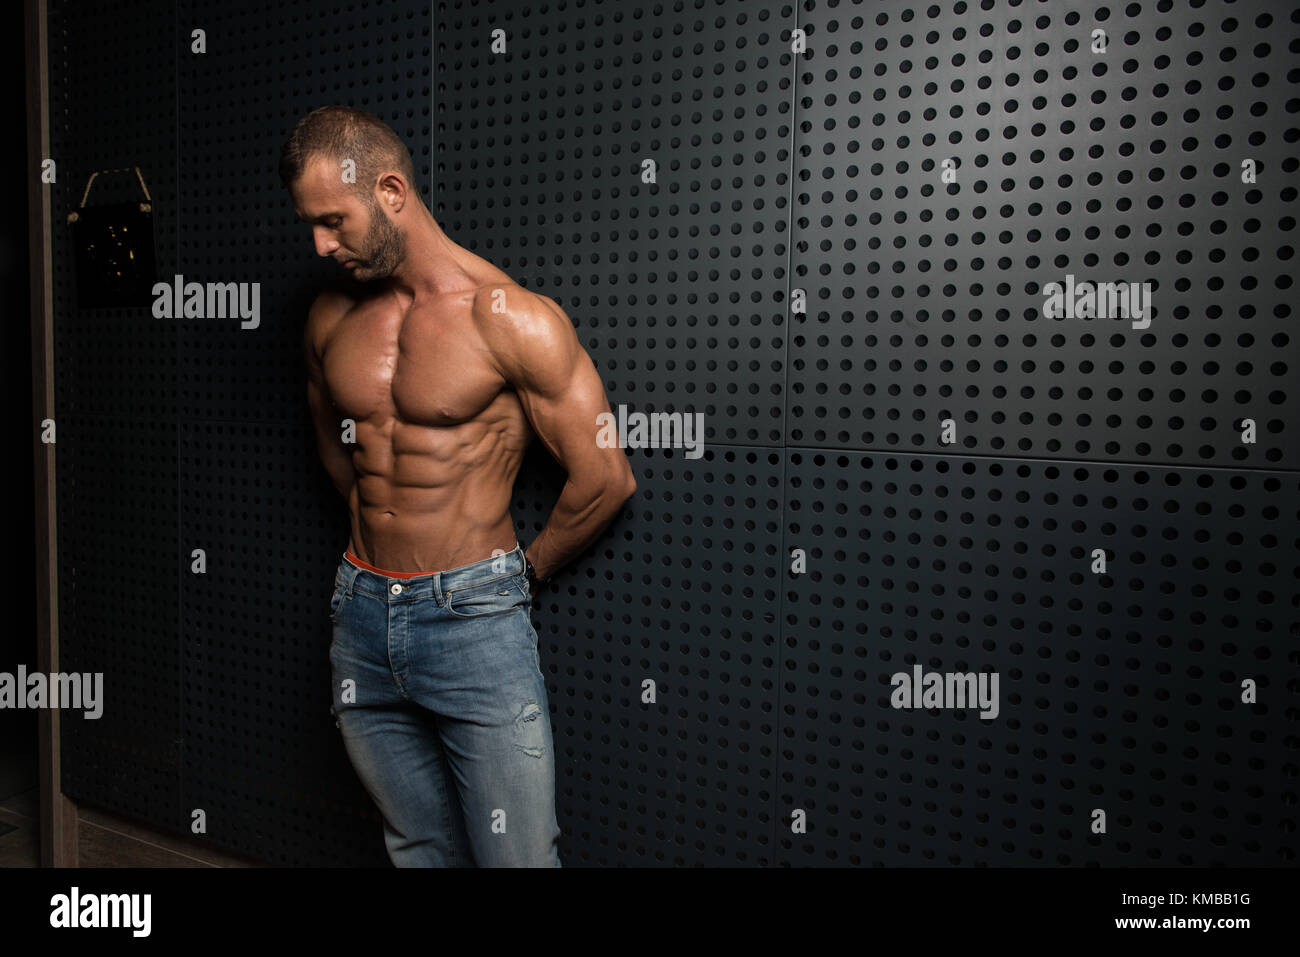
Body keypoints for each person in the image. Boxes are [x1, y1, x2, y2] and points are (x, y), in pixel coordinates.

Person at [279, 105, 637, 866]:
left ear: (391, 191)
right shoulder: (328, 318)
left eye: (334, 221)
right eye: (310, 224)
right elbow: (339, 454)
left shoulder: (512, 319)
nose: (319, 244)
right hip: (360, 614)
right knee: (417, 847)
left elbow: (605, 477)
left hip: (475, 621)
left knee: (520, 859)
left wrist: (517, 574)